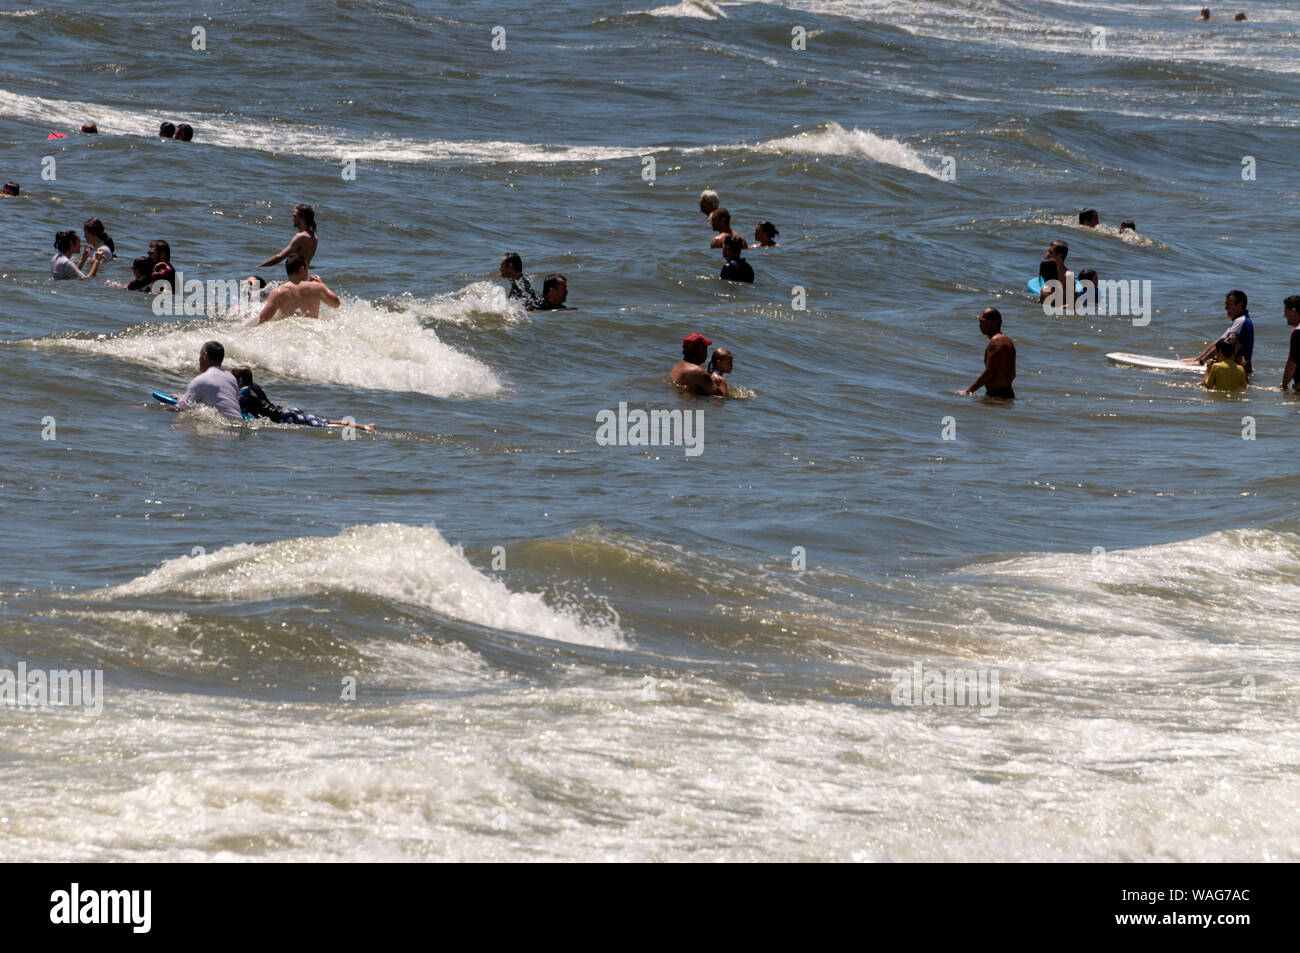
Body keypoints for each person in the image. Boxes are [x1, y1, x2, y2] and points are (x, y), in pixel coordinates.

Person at [231, 366, 376, 430]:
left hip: (284, 417)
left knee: (324, 426)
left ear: (241, 380)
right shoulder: (254, 387)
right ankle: (365, 426)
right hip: (287, 410)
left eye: (233, 378)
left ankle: (365, 428)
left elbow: (237, 407)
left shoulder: (245, 393)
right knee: (324, 421)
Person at [252, 256, 340, 322]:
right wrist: (322, 284)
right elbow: (336, 303)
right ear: (302, 269)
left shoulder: (278, 292)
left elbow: (263, 318)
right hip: (313, 332)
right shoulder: (316, 287)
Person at [172, 341, 244, 421]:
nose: (199, 359)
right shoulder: (231, 378)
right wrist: (183, 397)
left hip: (218, 429)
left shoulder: (201, 380)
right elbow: (222, 401)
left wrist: (158, 410)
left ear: (205, 356)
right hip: (238, 425)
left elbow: (178, 408)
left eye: (200, 355)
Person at [1188, 290, 1254, 375]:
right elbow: (1219, 342)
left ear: (1240, 305)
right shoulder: (1239, 320)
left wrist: (1201, 362)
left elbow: (1223, 346)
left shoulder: (1241, 321)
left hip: (1236, 371)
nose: (1225, 308)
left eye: (1229, 304)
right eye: (1225, 304)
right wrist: (1198, 359)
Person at [962, 308, 1016, 399]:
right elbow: (1013, 374)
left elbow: (989, 372)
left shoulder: (996, 341)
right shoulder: (1006, 340)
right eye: (979, 322)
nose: (980, 325)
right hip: (1005, 393)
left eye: (983, 322)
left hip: (998, 395)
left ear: (995, 323)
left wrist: (968, 391)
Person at [1280, 296, 1300, 390]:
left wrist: (1284, 385)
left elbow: (1292, 364)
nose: (1284, 315)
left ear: (1293, 311)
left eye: (1286, 311)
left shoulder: (1297, 332)